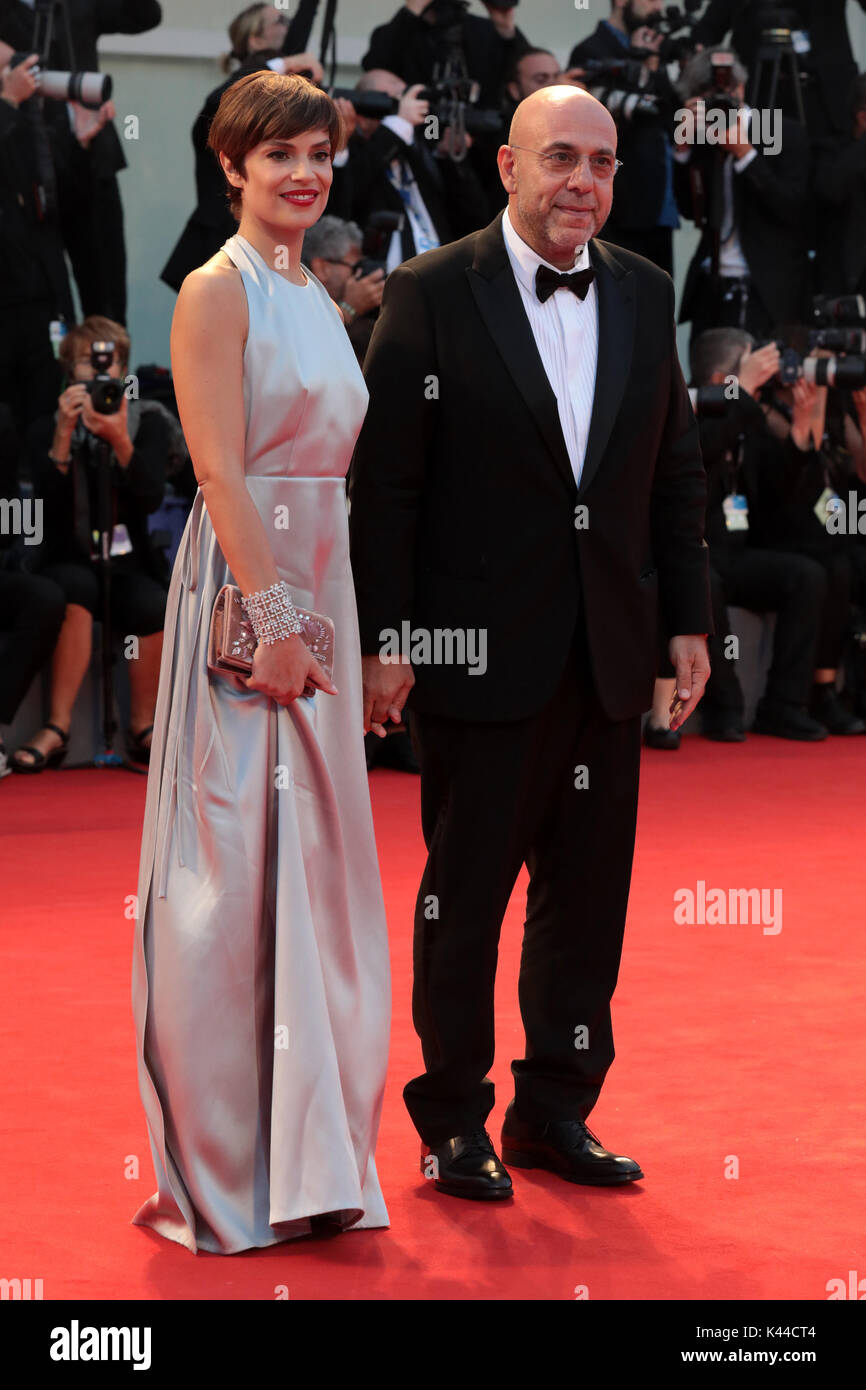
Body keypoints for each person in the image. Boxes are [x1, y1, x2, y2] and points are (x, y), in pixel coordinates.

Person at [349, 84, 712, 1200]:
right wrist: (387, 636)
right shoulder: (427, 291)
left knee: (584, 899)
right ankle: (451, 1118)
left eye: (601, 164)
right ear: (507, 166)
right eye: (560, 158)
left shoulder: (648, 295)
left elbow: (672, 469)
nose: (583, 184)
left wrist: (688, 617)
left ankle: (557, 1107)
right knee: (463, 897)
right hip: (475, 652)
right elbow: (387, 487)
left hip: (605, 647)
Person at [131, 71, 391, 1253]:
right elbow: (222, 473)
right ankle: (229, 1169)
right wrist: (275, 617)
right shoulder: (213, 288)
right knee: (231, 875)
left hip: (318, 588)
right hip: (248, 597)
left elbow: (337, 479)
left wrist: (339, 622)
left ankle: (316, 1157)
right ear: (228, 165)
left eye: (318, 154)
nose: (302, 172)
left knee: (318, 876)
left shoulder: (320, 296)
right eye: (277, 154)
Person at [13, 317, 170, 772]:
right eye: (90, 361)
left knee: (150, 602)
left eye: (113, 361)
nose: (102, 372)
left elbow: (151, 496)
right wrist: (63, 436)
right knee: (76, 586)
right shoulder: (47, 426)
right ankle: (57, 727)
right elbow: (40, 510)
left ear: (125, 368)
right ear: (70, 370)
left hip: (129, 561)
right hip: (66, 559)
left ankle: (144, 727)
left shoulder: (148, 422)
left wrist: (120, 438)